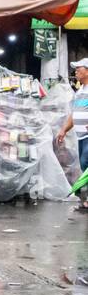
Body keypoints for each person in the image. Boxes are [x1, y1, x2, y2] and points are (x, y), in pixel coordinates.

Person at [54, 57, 88, 208]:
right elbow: (74, 114)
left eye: (79, 68)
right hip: (81, 136)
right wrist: (63, 130)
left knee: (87, 164)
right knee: (84, 165)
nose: (76, 71)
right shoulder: (80, 91)